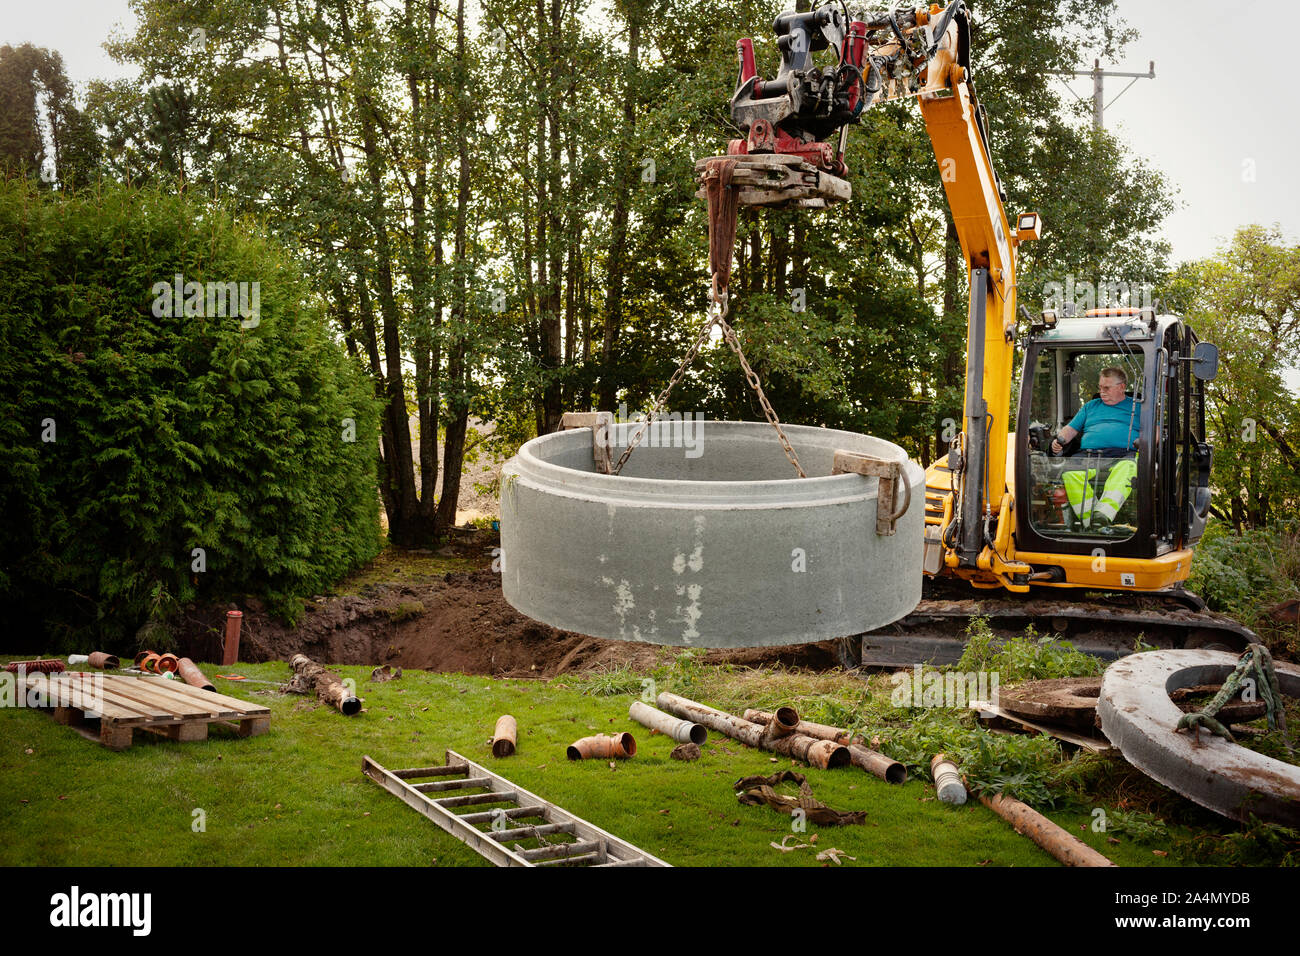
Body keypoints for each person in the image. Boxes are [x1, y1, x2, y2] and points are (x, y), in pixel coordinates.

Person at [1051, 368, 1139, 528]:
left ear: (1122, 387)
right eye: (1100, 388)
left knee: (1128, 467)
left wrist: (1145, 441)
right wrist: (1058, 441)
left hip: (1124, 453)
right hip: (1089, 454)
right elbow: (1070, 429)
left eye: (1106, 388)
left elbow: (1155, 433)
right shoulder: (1090, 406)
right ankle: (1093, 522)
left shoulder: (1138, 407)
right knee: (1070, 471)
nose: (1102, 392)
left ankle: (1104, 514)